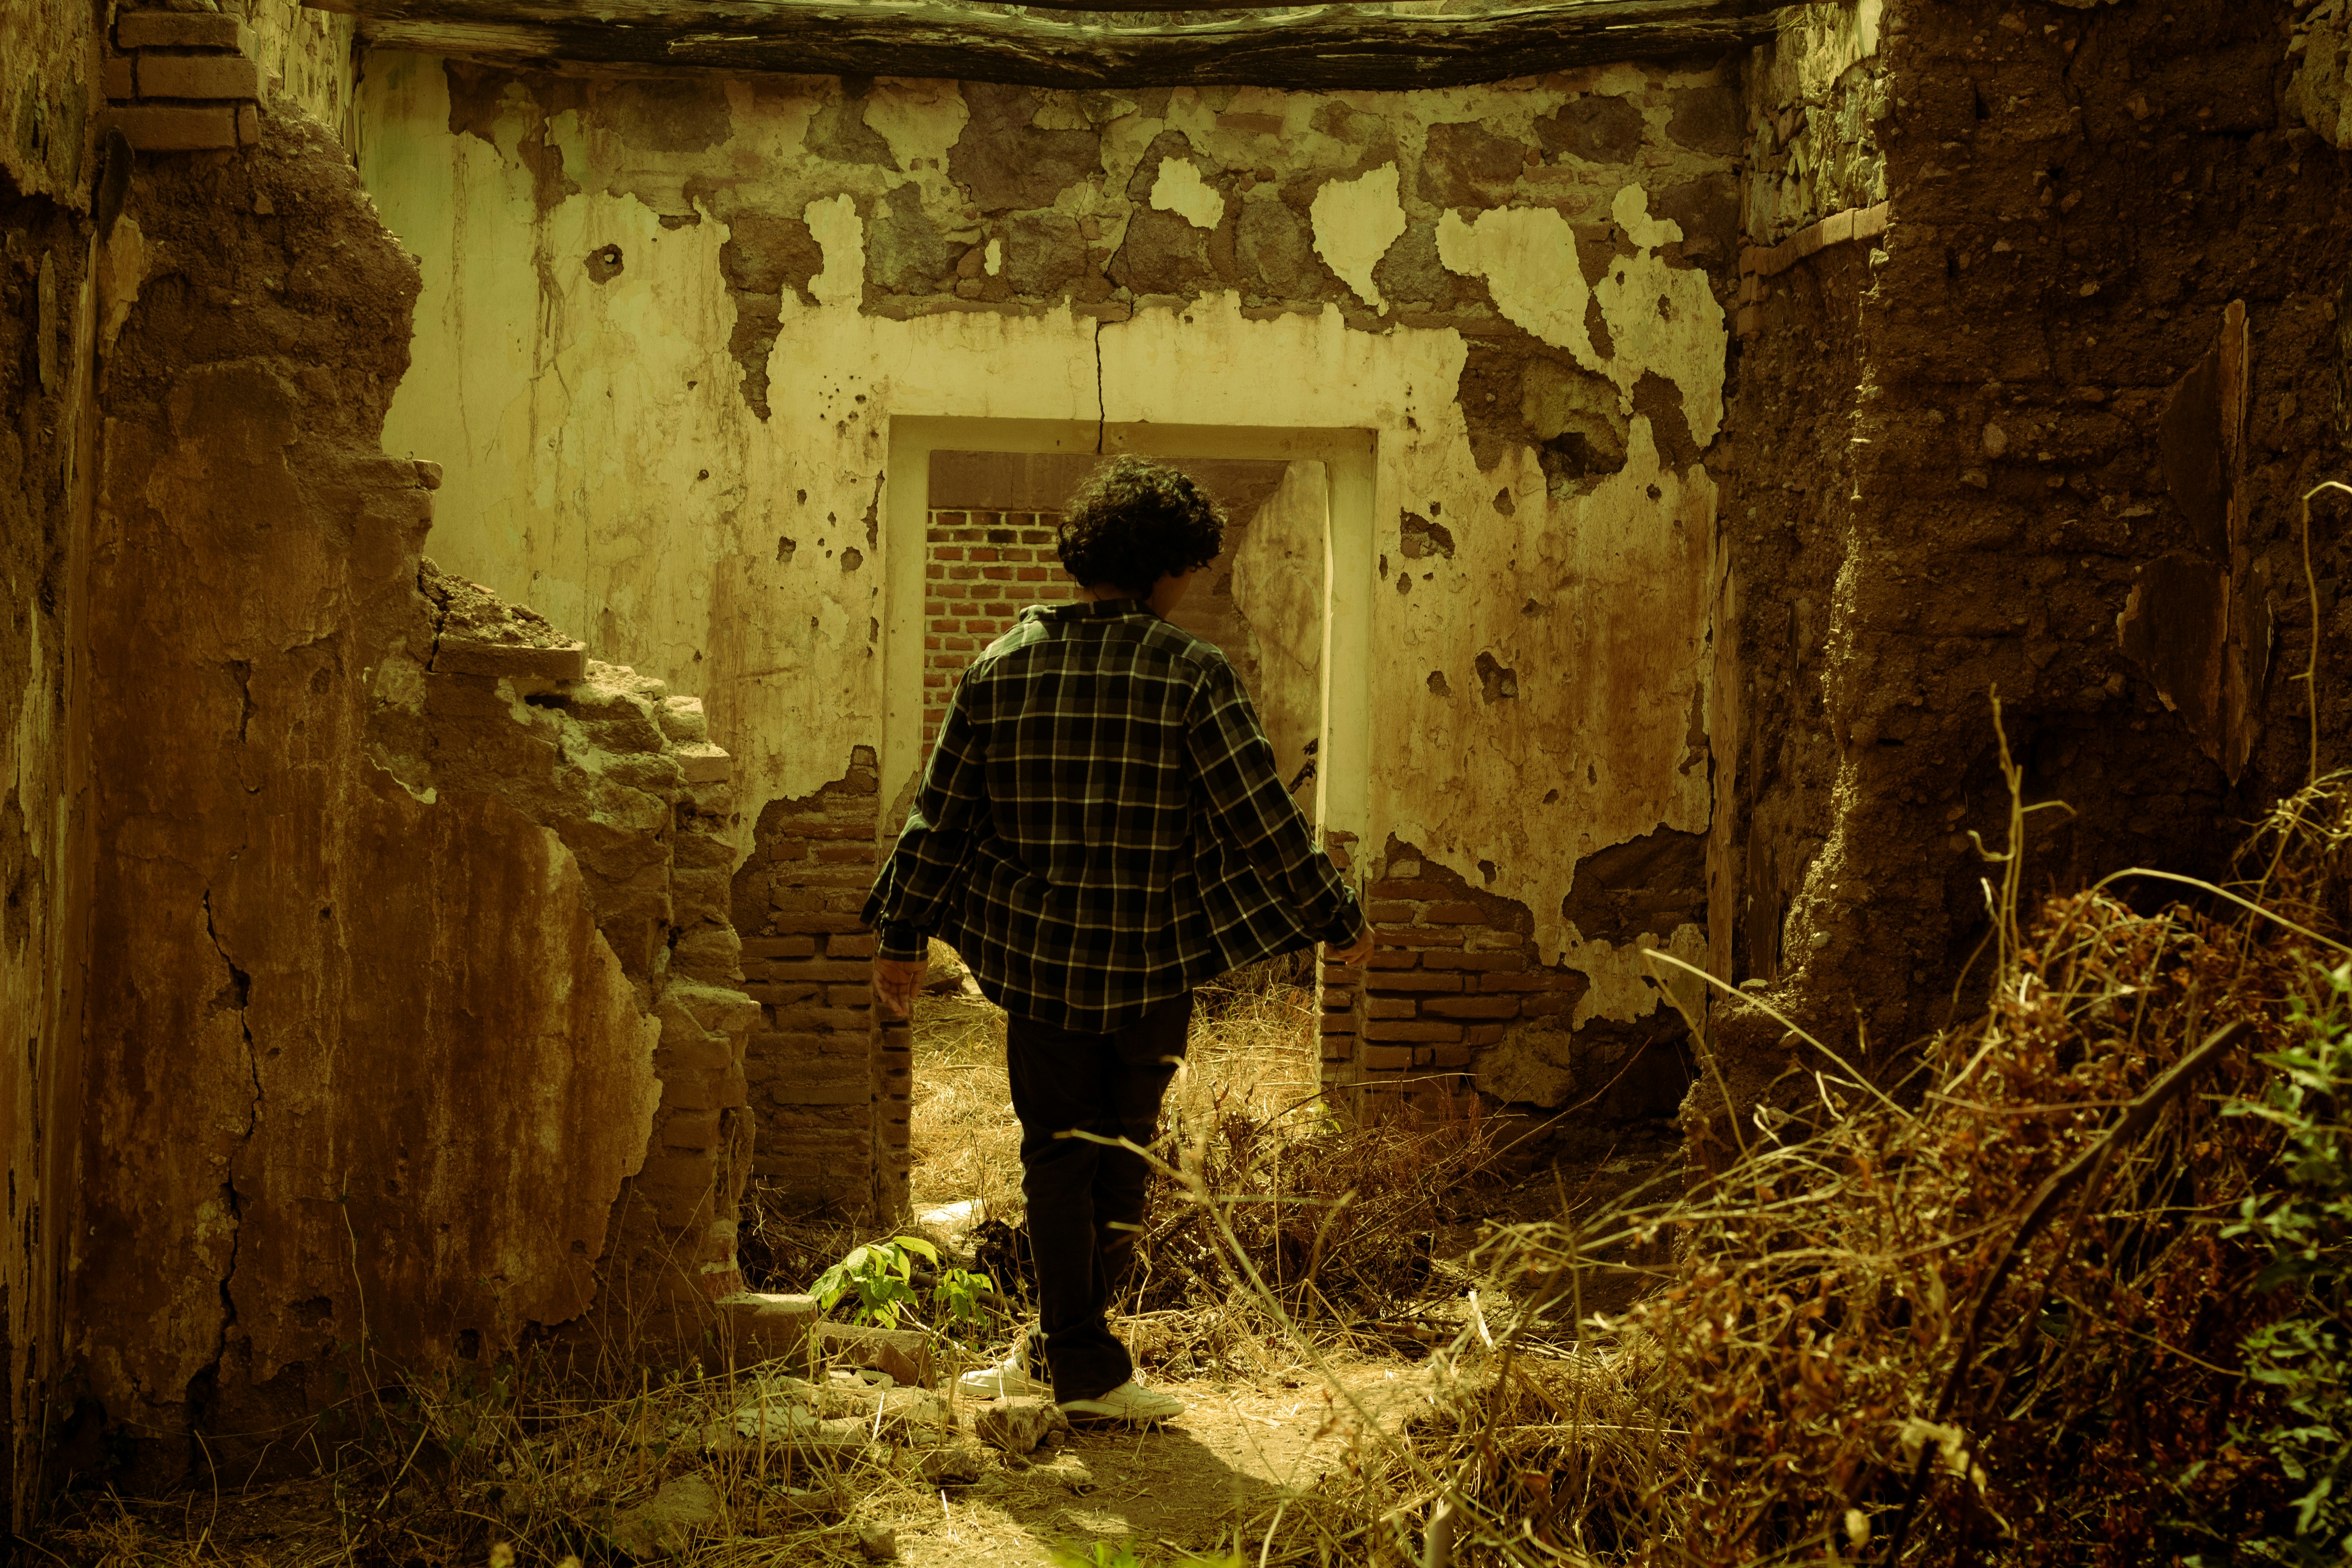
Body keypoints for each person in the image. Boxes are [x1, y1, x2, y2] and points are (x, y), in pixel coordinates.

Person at [862, 456, 1374, 1426]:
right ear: (1164, 568)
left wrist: (903, 939)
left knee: (1055, 1155)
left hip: (1040, 963)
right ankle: (1085, 1366)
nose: (1190, 585)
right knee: (1123, 1153)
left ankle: (1061, 1350)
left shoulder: (998, 666)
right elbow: (1263, 822)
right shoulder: (1192, 672)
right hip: (1148, 965)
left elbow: (941, 819)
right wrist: (1337, 919)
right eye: (1190, 568)